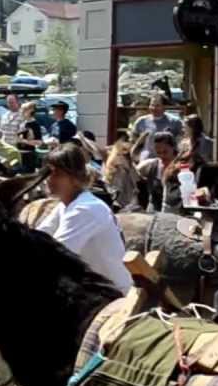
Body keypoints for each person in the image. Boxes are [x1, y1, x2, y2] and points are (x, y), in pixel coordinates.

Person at [36, 144, 133, 294]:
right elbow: (39, 238)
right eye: (48, 173)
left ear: (75, 178)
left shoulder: (86, 208)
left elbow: (55, 255)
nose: (49, 180)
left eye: (57, 174)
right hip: (91, 290)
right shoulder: (65, 206)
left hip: (111, 294)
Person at [130, 95, 183, 161]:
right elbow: (133, 139)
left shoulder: (175, 122)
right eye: (152, 105)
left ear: (164, 107)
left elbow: (182, 140)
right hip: (146, 160)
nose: (154, 108)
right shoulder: (141, 121)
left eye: (157, 105)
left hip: (167, 160)